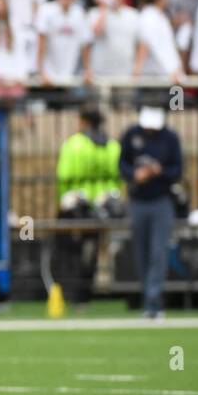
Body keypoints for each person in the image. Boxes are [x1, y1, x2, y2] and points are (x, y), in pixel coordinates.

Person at [119, 99, 182, 320]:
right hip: (137, 201)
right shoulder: (131, 135)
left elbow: (177, 170)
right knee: (142, 252)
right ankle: (148, 299)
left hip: (161, 201)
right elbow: (122, 165)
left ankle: (155, 302)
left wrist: (158, 171)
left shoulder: (170, 138)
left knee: (158, 252)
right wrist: (134, 174)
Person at [54, 103, 122, 308]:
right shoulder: (112, 146)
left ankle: (68, 291)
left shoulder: (74, 144)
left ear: (83, 121)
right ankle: (85, 294)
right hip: (100, 207)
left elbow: (63, 175)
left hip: (74, 207)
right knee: (91, 251)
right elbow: (118, 178)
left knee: (68, 250)